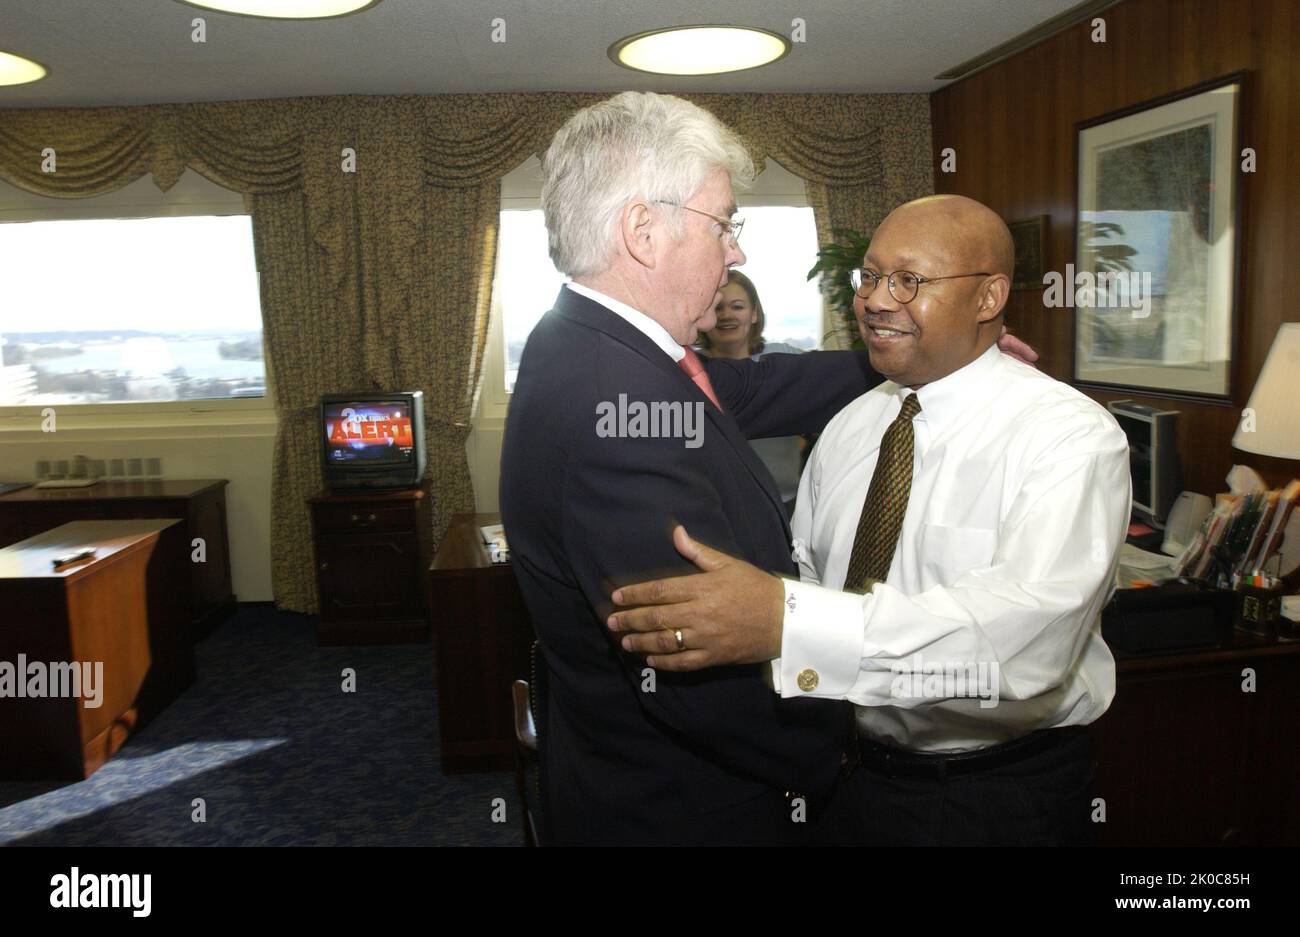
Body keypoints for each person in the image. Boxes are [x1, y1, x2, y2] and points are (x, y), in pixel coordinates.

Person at [607, 194, 1131, 846]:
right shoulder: (849, 428)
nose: (877, 299)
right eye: (871, 277)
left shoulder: (1067, 436)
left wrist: (785, 621)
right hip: (856, 779)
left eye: (908, 281)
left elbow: (1027, 644)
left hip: (999, 796)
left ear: (989, 297)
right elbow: (813, 578)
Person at [498, 91, 883, 846]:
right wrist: (843, 748)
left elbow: (748, 387)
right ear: (643, 231)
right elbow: (697, 679)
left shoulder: (584, 342)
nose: (736, 251)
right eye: (724, 223)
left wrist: (894, 363)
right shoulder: (619, 404)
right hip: (683, 807)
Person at [698, 270, 806, 511]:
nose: (726, 315)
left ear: (754, 313)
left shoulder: (783, 357)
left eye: (737, 307)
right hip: (718, 505)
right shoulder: (689, 366)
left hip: (786, 500)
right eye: (717, 307)